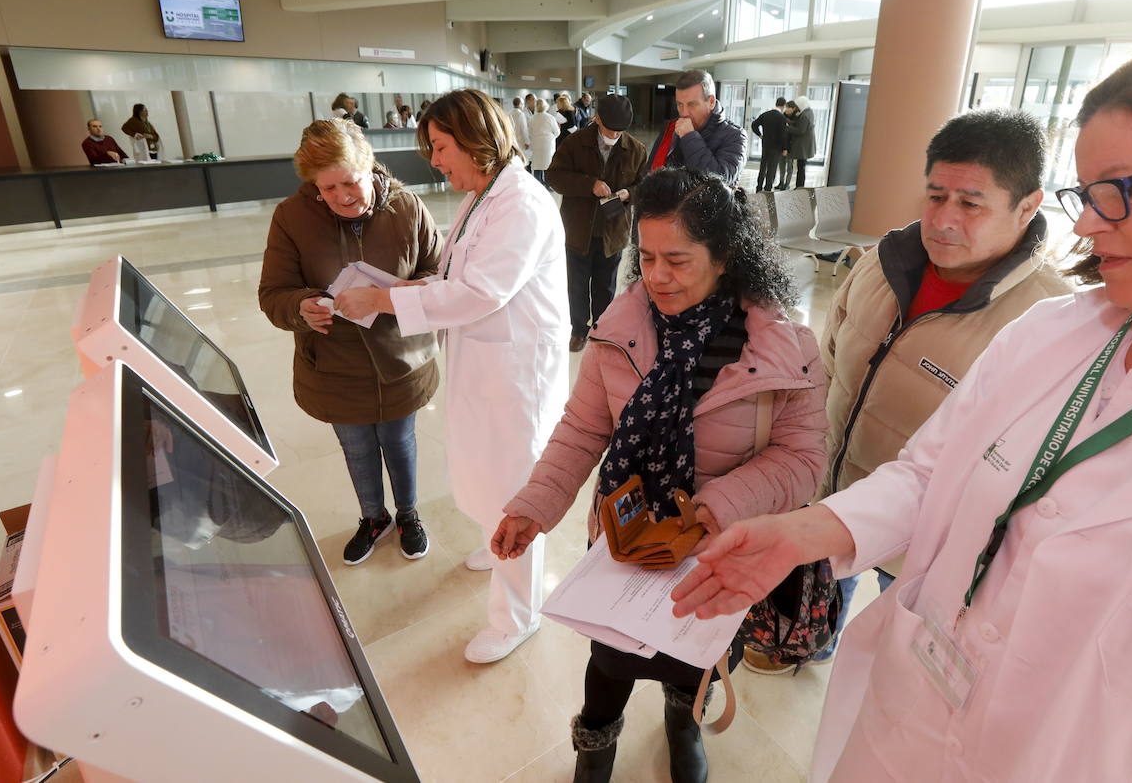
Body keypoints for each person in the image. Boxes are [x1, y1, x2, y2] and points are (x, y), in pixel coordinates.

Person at [672, 31, 1132, 782]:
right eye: (1086, 193)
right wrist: (807, 530)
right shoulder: (1054, 335)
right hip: (905, 728)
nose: (1090, 225)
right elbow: (930, 470)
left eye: (1121, 190)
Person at [493, 166, 827, 783]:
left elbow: (804, 460)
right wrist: (534, 504)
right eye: (645, 257)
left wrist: (715, 506)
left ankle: (683, 720)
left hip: (715, 548)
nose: (657, 277)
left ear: (725, 256)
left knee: (695, 656)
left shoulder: (784, 348)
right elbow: (583, 428)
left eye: (677, 259)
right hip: (626, 540)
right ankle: (596, 741)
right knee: (611, 660)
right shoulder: (620, 332)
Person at [743, 108, 1071, 675]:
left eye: (970, 203)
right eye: (935, 195)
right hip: (832, 493)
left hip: (926, 538)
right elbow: (823, 364)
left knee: (893, 657)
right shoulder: (881, 263)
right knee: (826, 587)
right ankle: (815, 636)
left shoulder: (1049, 320)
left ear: (1028, 206)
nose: (943, 219)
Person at [351, 89, 569, 665]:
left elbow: (479, 291)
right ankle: (492, 543)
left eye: (441, 147)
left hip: (516, 371)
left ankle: (517, 615)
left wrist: (385, 298)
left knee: (514, 481)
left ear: (477, 140)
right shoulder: (482, 196)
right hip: (484, 360)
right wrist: (401, 291)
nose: (435, 160)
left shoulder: (520, 202)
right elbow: (453, 271)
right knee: (481, 464)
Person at [258, 117, 441, 565]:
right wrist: (302, 305)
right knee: (356, 446)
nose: (341, 196)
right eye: (327, 189)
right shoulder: (291, 218)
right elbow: (273, 294)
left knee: (400, 440)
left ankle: (409, 516)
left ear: (369, 166)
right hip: (334, 366)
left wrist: (389, 297)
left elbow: (439, 277)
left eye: (350, 183)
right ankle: (372, 517)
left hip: (402, 359)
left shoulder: (408, 208)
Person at [546, 93, 647, 353]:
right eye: (609, 130)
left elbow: (645, 186)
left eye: (619, 132)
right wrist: (589, 184)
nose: (614, 136)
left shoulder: (635, 149)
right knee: (577, 284)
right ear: (597, 119)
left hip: (613, 230)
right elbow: (555, 176)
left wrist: (628, 194)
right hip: (578, 229)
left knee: (606, 285)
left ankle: (602, 329)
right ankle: (578, 330)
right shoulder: (575, 142)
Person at [644, 69, 746, 184]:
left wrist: (689, 137)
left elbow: (719, 183)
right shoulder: (672, 128)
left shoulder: (735, 135)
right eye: (680, 104)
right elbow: (650, 172)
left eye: (692, 104)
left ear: (711, 102)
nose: (684, 113)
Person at [750, 97, 789, 192]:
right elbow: (783, 135)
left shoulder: (765, 115)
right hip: (777, 147)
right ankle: (768, 188)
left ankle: (758, 187)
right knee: (772, 168)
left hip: (766, 145)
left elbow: (754, 125)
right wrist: (784, 148)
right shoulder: (781, 117)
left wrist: (760, 135)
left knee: (763, 166)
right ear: (783, 106)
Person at [782, 96, 815, 189]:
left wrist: (786, 127)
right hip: (805, 144)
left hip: (803, 145)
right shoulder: (808, 112)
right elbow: (798, 124)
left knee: (801, 167)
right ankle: (799, 186)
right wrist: (788, 121)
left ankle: (799, 186)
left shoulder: (805, 115)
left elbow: (800, 130)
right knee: (801, 166)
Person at [528, 98, 561, 186]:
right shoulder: (550, 117)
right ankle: (548, 184)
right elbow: (557, 132)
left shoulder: (532, 118)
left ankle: (537, 185)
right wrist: (551, 137)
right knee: (548, 165)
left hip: (536, 144)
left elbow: (529, 132)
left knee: (537, 165)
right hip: (548, 144)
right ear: (546, 106)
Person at [508, 96, 531, 162]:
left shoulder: (509, 113)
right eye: (523, 104)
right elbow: (524, 129)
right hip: (520, 142)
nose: (523, 106)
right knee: (521, 160)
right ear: (520, 104)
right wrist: (527, 142)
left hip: (511, 141)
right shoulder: (521, 114)